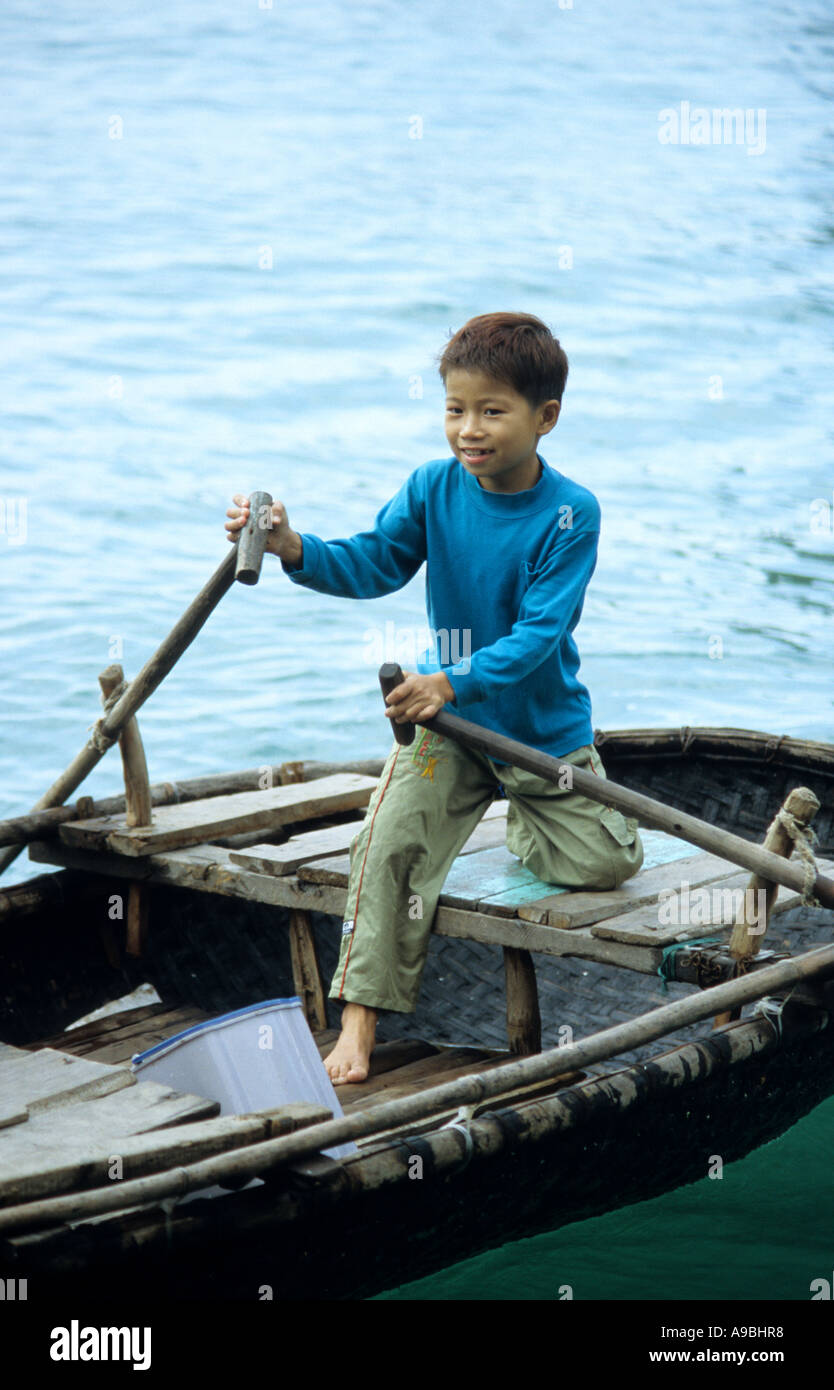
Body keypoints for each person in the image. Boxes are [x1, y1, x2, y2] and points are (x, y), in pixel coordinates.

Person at [225, 311, 644, 1084]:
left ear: (545, 417)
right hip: (444, 725)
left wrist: (451, 676)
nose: (469, 430)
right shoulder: (432, 486)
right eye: (455, 409)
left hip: (540, 730)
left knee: (603, 861)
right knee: (387, 847)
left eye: (492, 411)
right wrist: (291, 547)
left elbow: (537, 635)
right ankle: (357, 1029)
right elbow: (375, 561)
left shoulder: (570, 513)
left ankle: (521, 819)